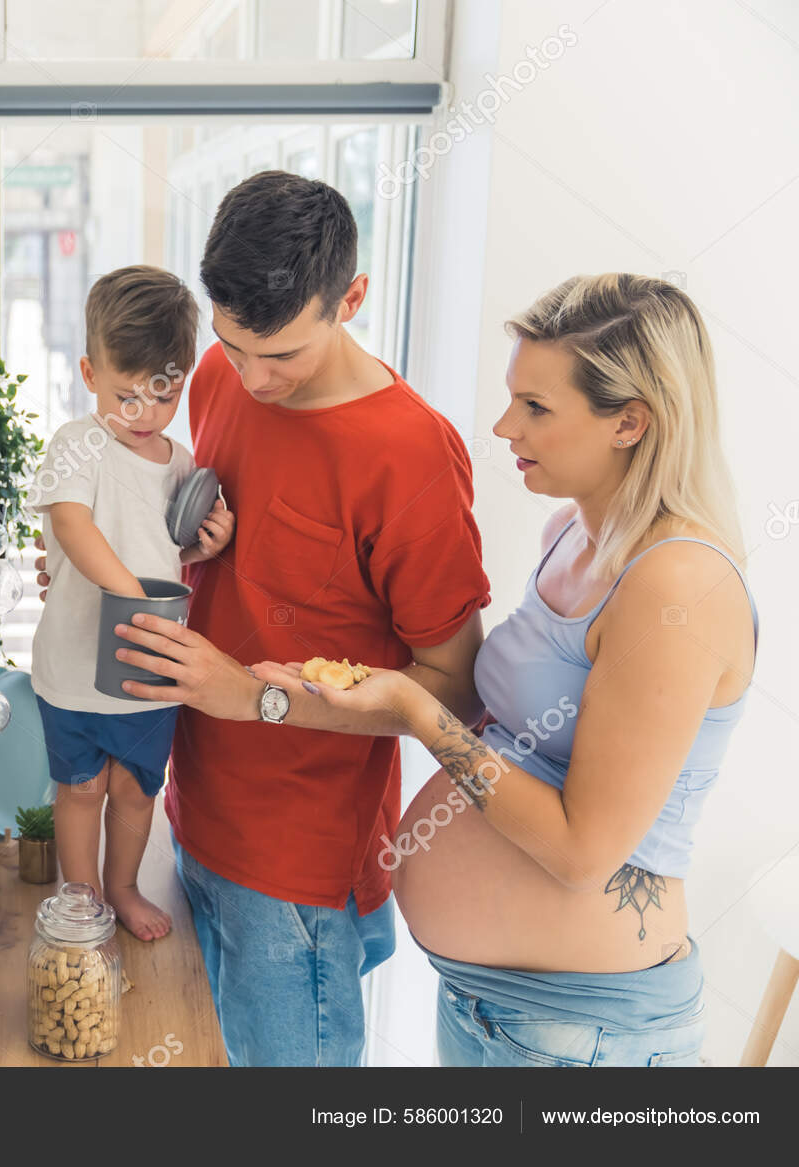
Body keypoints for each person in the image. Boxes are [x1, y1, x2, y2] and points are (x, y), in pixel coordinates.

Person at [112, 274, 756, 1068]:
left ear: (631, 421)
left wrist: (417, 712)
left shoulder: (677, 584)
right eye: (514, 396)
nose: (502, 425)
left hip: (586, 1030)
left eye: (537, 409)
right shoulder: (573, 534)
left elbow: (581, 848)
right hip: (491, 1005)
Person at [37, 173, 490, 1065]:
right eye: (232, 344)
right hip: (182, 804)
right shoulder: (210, 376)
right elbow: (190, 537)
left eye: (279, 354)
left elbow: (452, 687)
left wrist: (254, 697)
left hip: (293, 876)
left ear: (351, 298)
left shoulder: (413, 456)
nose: (250, 377)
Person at [29, 266, 234, 943]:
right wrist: (128, 590)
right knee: (82, 787)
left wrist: (209, 544)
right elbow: (71, 525)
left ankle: (121, 884)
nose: (143, 413)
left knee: (135, 789)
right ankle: (81, 892)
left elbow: (169, 553)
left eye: (163, 395)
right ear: (89, 373)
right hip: (73, 667)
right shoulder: (78, 445)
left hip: (149, 672)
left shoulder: (179, 462)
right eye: (126, 395)